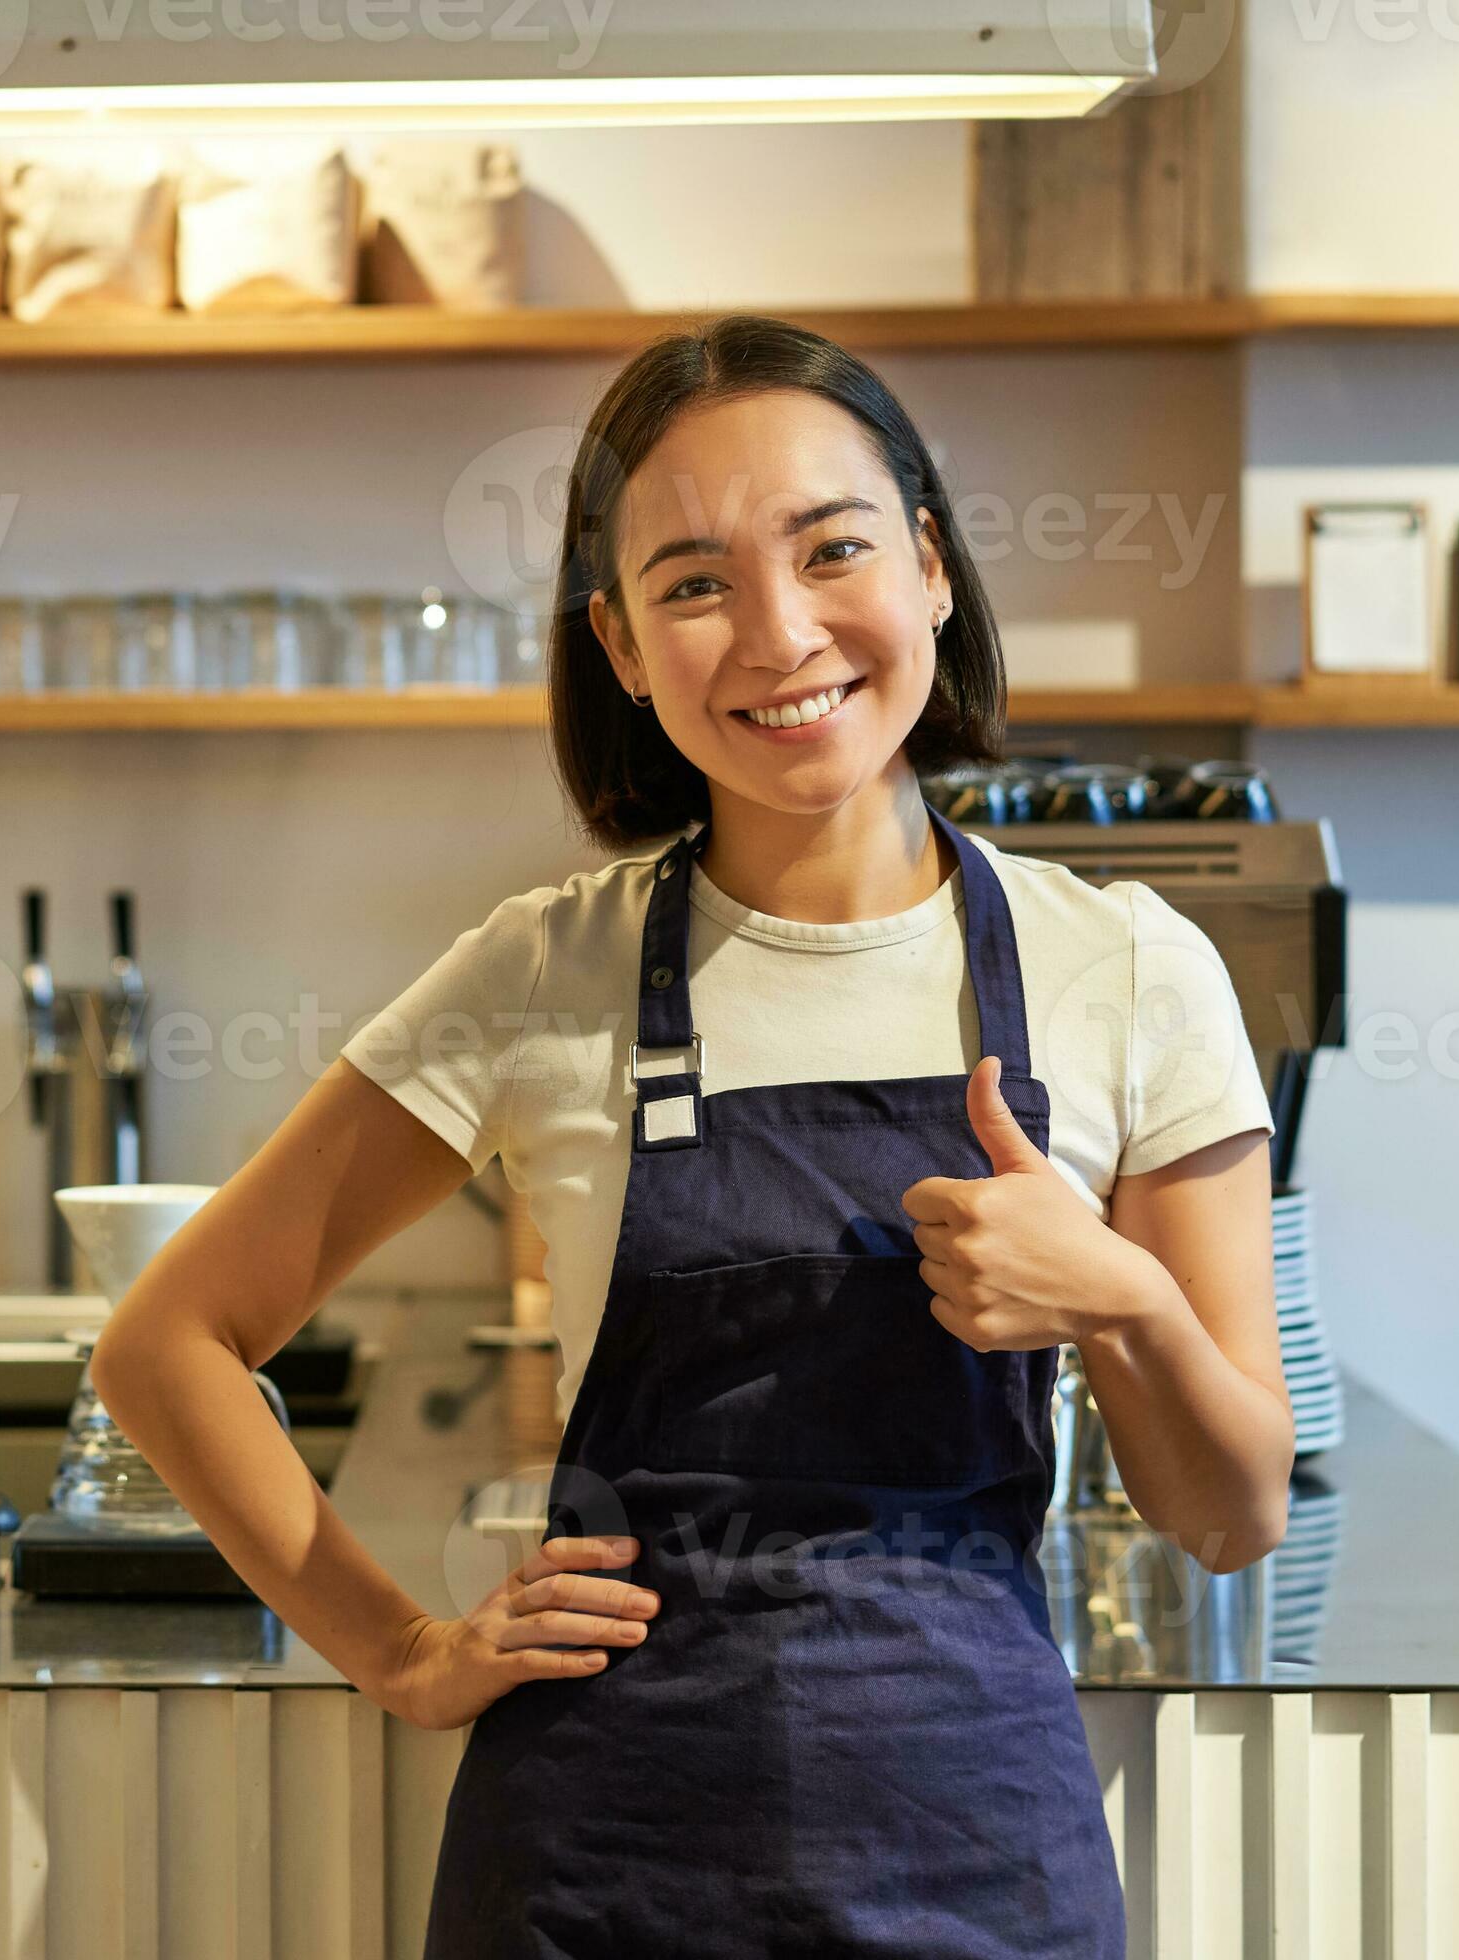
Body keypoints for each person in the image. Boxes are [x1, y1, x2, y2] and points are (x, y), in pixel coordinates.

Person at [85, 315, 1299, 1955]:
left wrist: (1119, 1298)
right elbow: (170, 1343)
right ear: (622, 641)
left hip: (977, 1856)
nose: (780, 632)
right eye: (694, 582)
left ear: (931, 566)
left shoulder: (1132, 970)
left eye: (833, 548)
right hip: (600, 1868)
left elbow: (1230, 1517)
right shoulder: (542, 969)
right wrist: (400, 1651)